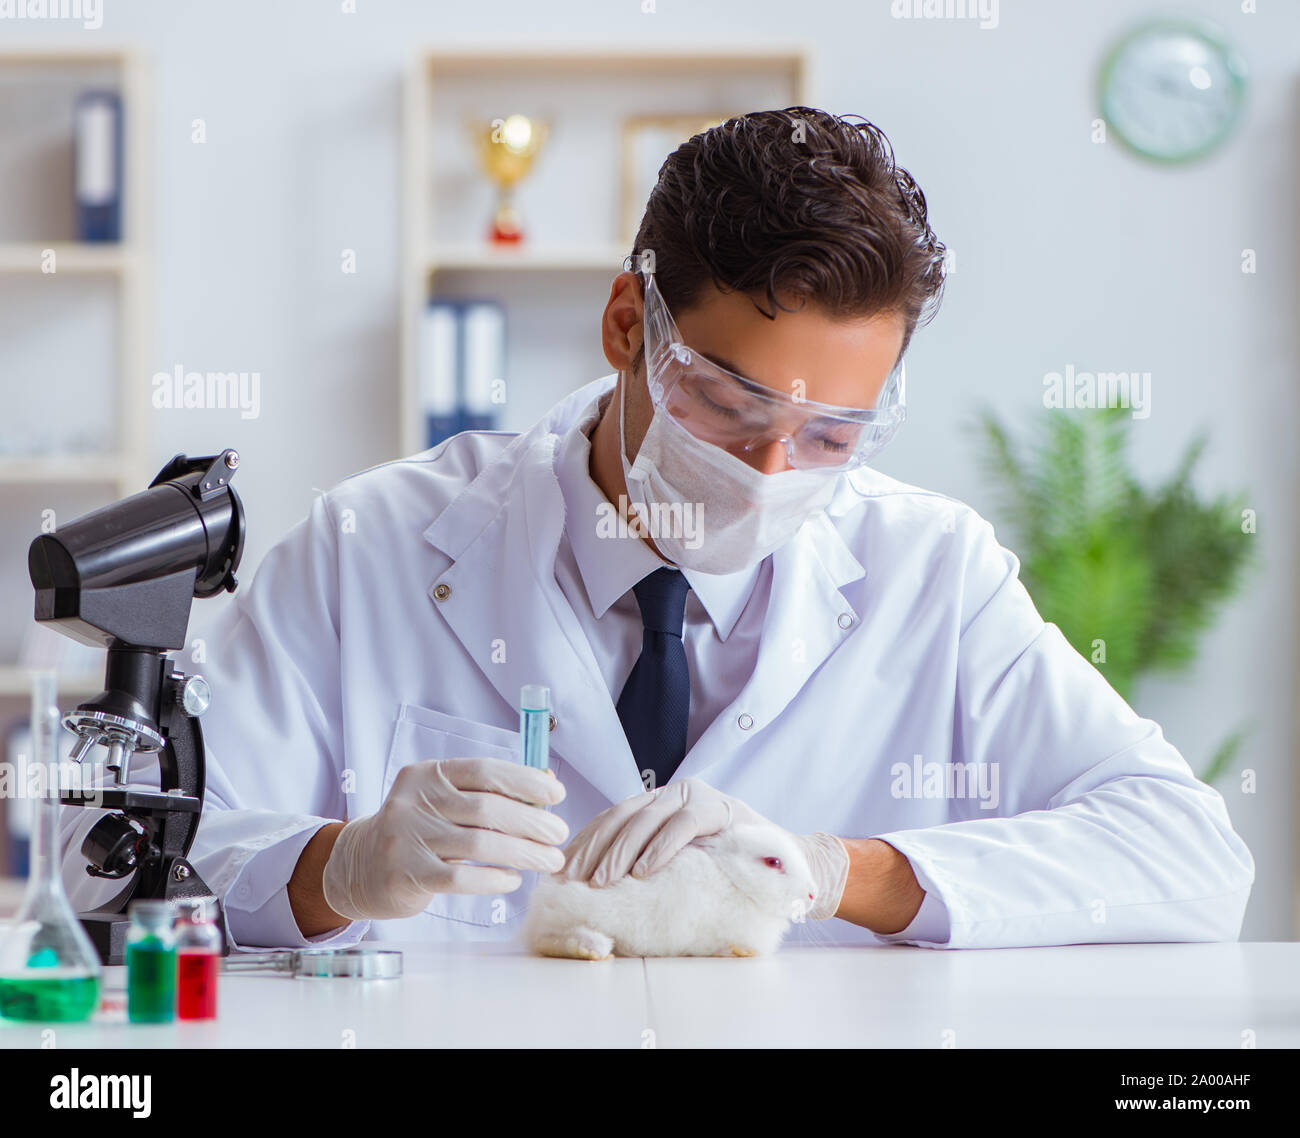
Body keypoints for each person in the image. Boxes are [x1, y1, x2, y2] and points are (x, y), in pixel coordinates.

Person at [62, 107, 1253, 950]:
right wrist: (345, 865)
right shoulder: (369, 544)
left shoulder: (929, 572)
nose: (774, 470)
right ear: (629, 323)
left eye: (833, 434)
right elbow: (150, 874)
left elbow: (1189, 856)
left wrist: (835, 872)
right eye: (729, 406)